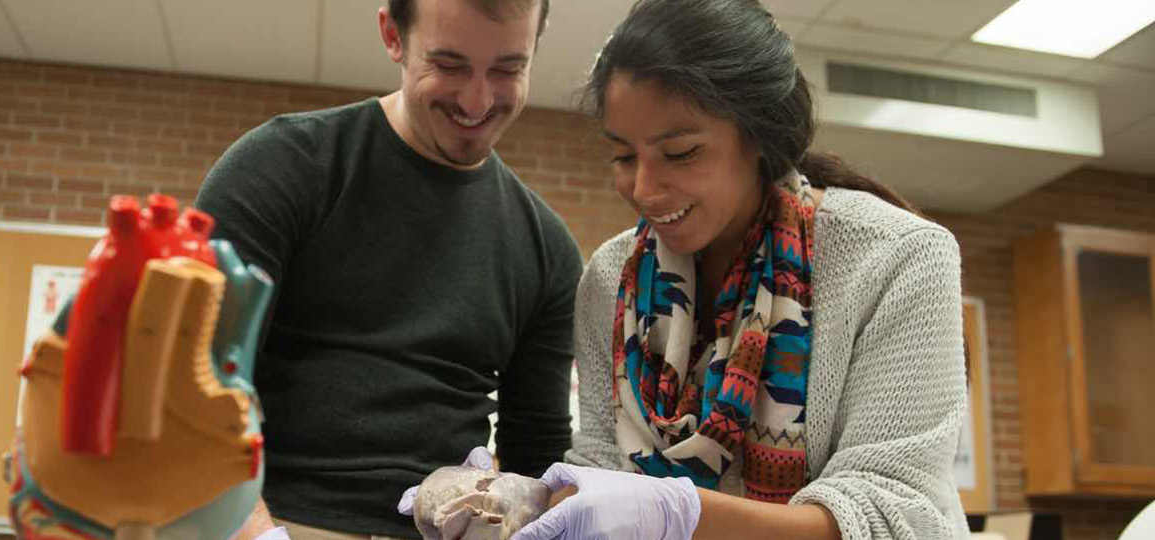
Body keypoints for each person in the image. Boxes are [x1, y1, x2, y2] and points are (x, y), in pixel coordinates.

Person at [505, 0, 971, 538]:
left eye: (680, 153)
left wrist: (674, 512)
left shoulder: (898, 258)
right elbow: (601, 466)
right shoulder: (610, 278)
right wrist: (519, 502)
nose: (643, 189)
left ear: (759, 135)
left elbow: (895, 514)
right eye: (624, 157)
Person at [193, 0, 583, 537]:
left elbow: (537, 455)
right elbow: (194, 390)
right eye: (448, 65)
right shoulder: (281, 169)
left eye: (507, 69)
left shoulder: (547, 247)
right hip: (271, 516)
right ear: (392, 35)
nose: (478, 99)